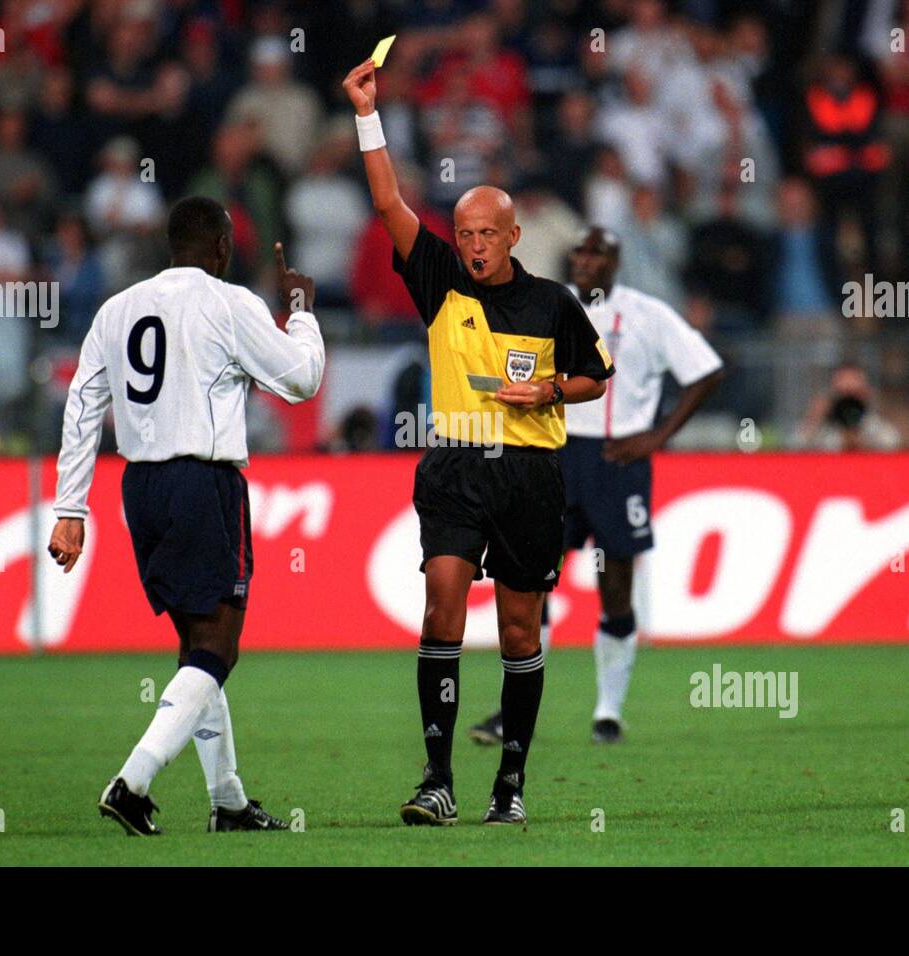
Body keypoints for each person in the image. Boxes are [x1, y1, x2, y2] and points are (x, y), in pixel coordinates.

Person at [342, 58, 614, 826]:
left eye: (488, 232)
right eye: (464, 233)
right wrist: (369, 113)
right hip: (456, 464)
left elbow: (596, 377)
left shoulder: (553, 302)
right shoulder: (438, 279)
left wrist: (550, 390)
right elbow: (389, 199)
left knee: (521, 627)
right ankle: (437, 779)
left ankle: (511, 784)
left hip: (531, 473)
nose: (474, 244)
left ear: (514, 234)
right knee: (442, 610)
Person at [46, 196, 325, 836]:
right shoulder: (229, 304)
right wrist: (303, 313)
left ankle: (228, 801)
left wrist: (70, 507)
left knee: (194, 647)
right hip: (204, 481)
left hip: (139, 487)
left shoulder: (117, 309)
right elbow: (303, 380)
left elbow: (83, 405)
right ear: (223, 248)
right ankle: (133, 780)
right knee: (218, 646)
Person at [469, 227, 723, 745]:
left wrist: (656, 435)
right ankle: (512, 712)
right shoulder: (548, 304)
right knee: (531, 588)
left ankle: (608, 709)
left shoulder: (648, 315)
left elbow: (706, 371)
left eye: (597, 253)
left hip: (617, 459)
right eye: (580, 252)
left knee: (616, 588)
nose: (585, 260)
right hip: (554, 455)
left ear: (616, 261)